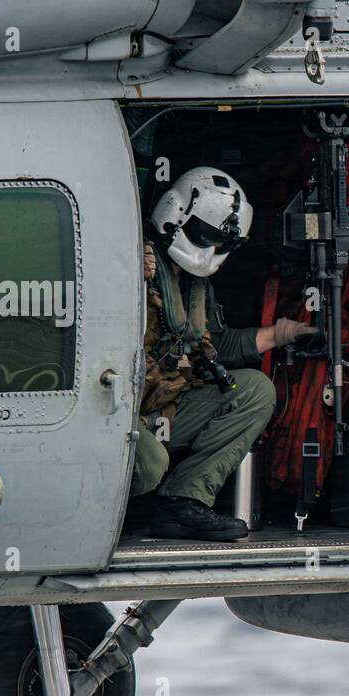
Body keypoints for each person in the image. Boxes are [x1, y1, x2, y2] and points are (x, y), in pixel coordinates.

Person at [130, 166, 312, 541]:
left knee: (254, 390)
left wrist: (280, 335)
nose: (211, 250)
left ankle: (183, 501)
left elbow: (213, 343)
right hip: (120, 413)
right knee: (147, 466)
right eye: (207, 236)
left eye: (223, 243)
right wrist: (132, 273)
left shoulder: (196, 284)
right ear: (175, 213)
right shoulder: (132, 263)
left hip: (164, 406)